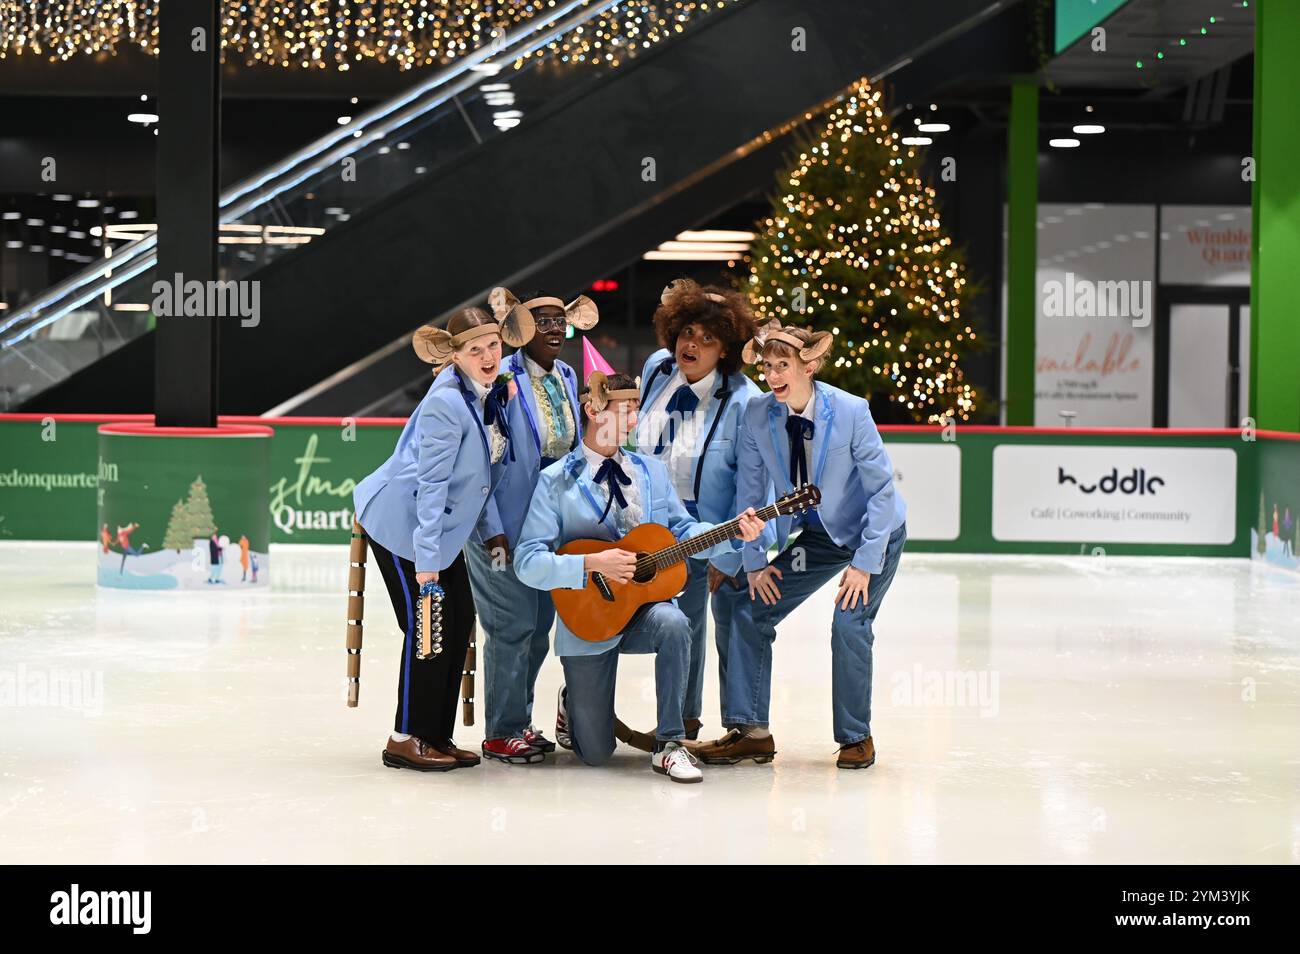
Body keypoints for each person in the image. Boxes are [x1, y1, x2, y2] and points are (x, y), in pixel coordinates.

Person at [513, 371, 765, 783]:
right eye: (625, 410)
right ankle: (573, 701)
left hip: (645, 610)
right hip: (588, 620)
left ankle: (670, 743)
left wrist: (731, 533)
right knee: (595, 755)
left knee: (676, 623)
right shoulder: (554, 481)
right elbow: (527, 561)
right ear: (593, 411)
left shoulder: (651, 472)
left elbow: (682, 533)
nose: (633, 420)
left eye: (635, 410)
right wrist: (591, 565)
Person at [695, 320, 907, 770]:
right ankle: (750, 731)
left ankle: (856, 737)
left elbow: (882, 493)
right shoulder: (758, 414)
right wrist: (753, 565)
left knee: (849, 625)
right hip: (817, 538)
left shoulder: (850, 410)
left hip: (874, 532)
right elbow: (750, 497)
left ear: (808, 366)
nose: (772, 376)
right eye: (767, 366)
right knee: (747, 603)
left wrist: (866, 564)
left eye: (782, 365)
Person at [352, 303, 534, 772]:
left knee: (457, 621)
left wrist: (491, 531)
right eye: (476, 350)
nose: (489, 355)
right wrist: (427, 561)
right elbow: (431, 487)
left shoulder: (486, 394)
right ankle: (404, 737)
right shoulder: (445, 403)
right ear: (456, 357)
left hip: (438, 532)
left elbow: (480, 479)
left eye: (493, 345)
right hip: (403, 525)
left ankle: (436, 733)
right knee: (427, 628)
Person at [634, 278, 769, 740]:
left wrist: (725, 552)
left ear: (726, 351)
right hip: (637, 523)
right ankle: (585, 708)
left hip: (697, 528)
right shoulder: (657, 368)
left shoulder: (745, 401)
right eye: (688, 332)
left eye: (708, 339)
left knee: (688, 627)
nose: (692, 344)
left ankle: (681, 723)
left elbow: (753, 486)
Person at [467, 287, 594, 764]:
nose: (555, 329)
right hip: (500, 526)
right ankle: (501, 731)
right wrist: (491, 528)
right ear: (519, 329)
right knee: (511, 625)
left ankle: (518, 720)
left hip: (548, 530)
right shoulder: (499, 376)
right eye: (542, 321)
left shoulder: (566, 374)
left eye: (561, 321)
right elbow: (481, 462)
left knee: (539, 626)